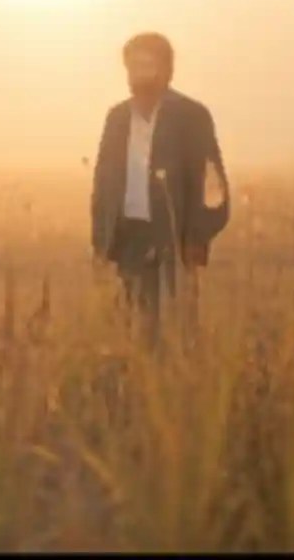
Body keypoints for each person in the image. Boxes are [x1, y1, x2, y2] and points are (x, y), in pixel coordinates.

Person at [90, 32, 230, 348]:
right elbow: (103, 184)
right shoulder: (117, 118)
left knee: (179, 325)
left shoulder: (192, 116)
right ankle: (142, 386)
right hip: (128, 237)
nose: (138, 73)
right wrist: (101, 241)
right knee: (137, 328)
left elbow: (213, 186)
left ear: (167, 69)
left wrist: (197, 238)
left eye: (146, 64)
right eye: (132, 66)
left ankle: (182, 384)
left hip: (174, 237)